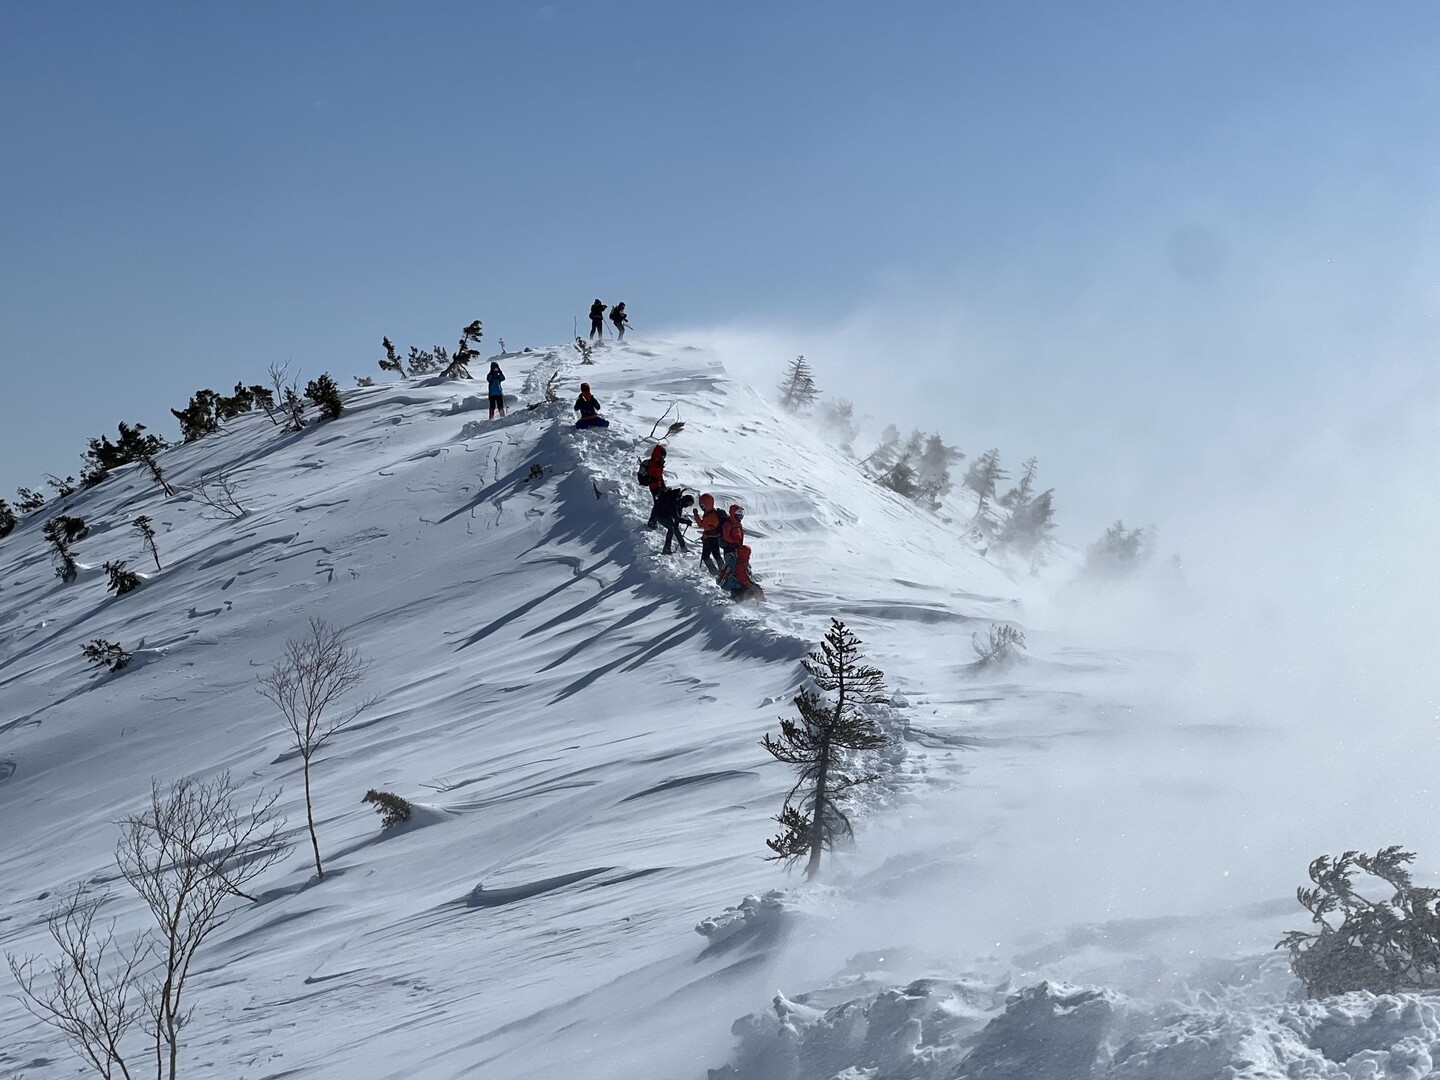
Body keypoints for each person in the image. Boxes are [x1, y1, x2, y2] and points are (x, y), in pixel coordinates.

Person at [654, 488, 694, 555]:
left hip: (665, 514)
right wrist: (686, 521)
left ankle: (683, 547)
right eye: (689, 503)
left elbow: (676, 521)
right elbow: (677, 518)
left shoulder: (679, 505)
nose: (688, 506)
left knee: (675, 528)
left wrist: (684, 521)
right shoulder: (675, 504)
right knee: (671, 528)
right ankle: (666, 549)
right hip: (660, 514)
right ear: (685, 501)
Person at [692, 493, 725, 575]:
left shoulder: (710, 515)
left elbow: (701, 524)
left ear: (707, 504)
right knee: (717, 555)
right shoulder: (712, 513)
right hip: (715, 538)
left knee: (706, 556)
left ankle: (715, 573)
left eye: (702, 505)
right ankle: (723, 571)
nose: (701, 507)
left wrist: (696, 515)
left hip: (710, 539)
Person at [718, 503, 744, 579]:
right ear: (734, 514)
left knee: (737, 564)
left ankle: (737, 578)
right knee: (731, 564)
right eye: (739, 514)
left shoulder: (738, 523)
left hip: (737, 547)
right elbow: (726, 536)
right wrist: (734, 542)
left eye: (741, 514)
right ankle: (727, 579)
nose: (741, 516)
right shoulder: (728, 523)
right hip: (729, 547)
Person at [643, 444, 667, 528]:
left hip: (658, 486)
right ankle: (652, 521)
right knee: (658, 504)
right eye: (663, 455)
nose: (663, 457)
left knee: (660, 504)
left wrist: (663, 486)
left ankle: (655, 520)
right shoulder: (653, 463)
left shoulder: (656, 462)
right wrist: (660, 465)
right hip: (655, 487)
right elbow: (655, 475)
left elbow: (660, 476)